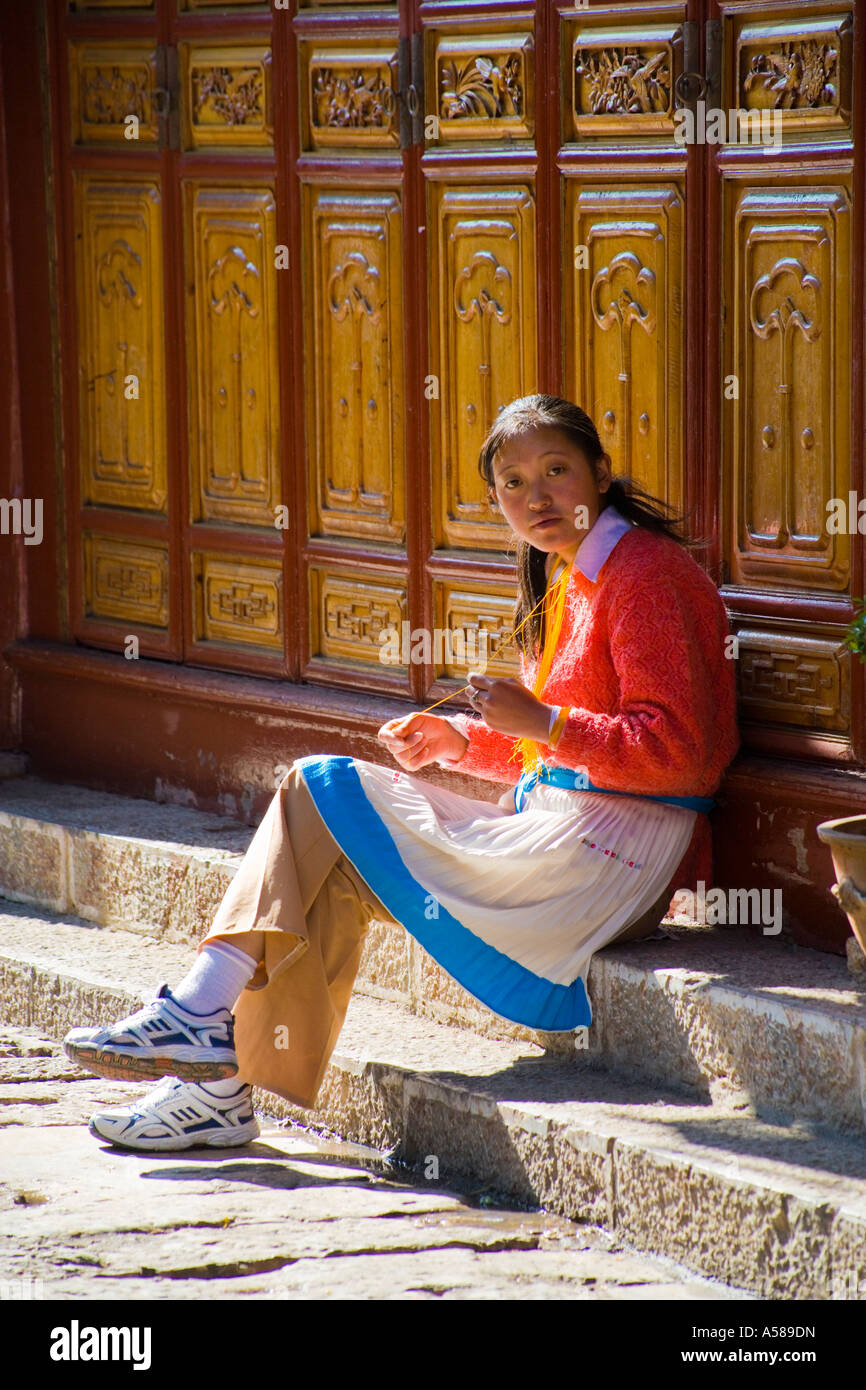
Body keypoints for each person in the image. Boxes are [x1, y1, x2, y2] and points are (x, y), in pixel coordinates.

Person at [63, 394, 739, 1152]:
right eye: (513, 483)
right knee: (329, 872)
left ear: (602, 475)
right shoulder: (564, 575)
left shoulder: (645, 572)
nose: (537, 496)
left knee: (317, 782)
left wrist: (543, 722)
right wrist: (459, 740)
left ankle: (198, 1006)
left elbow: (684, 753)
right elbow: (553, 749)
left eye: (556, 471)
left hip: (615, 860)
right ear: (494, 501)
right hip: (564, 833)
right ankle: (220, 1089)